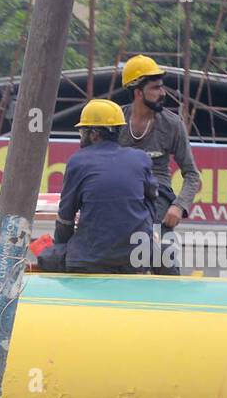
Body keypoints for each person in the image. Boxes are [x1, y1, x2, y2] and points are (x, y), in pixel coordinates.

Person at [37, 99, 158, 275]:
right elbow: (152, 201)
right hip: (136, 258)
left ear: (94, 134)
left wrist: (61, 248)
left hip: (89, 259)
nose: (81, 137)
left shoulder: (78, 161)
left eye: (82, 132)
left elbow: (66, 217)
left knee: (47, 256)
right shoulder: (140, 159)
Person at [118, 54, 203, 275]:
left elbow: (192, 175)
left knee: (164, 261)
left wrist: (179, 206)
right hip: (122, 201)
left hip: (158, 202)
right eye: (156, 88)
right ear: (138, 92)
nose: (163, 93)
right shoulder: (115, 121)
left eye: (161, 87)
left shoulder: (172, 124)